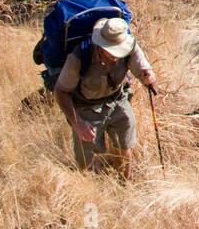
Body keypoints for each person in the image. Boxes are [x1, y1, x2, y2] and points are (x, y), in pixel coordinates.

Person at [53, 16, 157, 179]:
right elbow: (60, 91)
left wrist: (147, 76)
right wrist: (78, 123)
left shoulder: (129, 47)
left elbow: (142, 68)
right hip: (85, 107)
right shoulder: (79, 57)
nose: (117, 55)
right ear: (100, 45)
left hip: (116, 99)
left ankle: (125, 182)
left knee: (125, 142)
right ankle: (87, 186)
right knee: (85, 158)